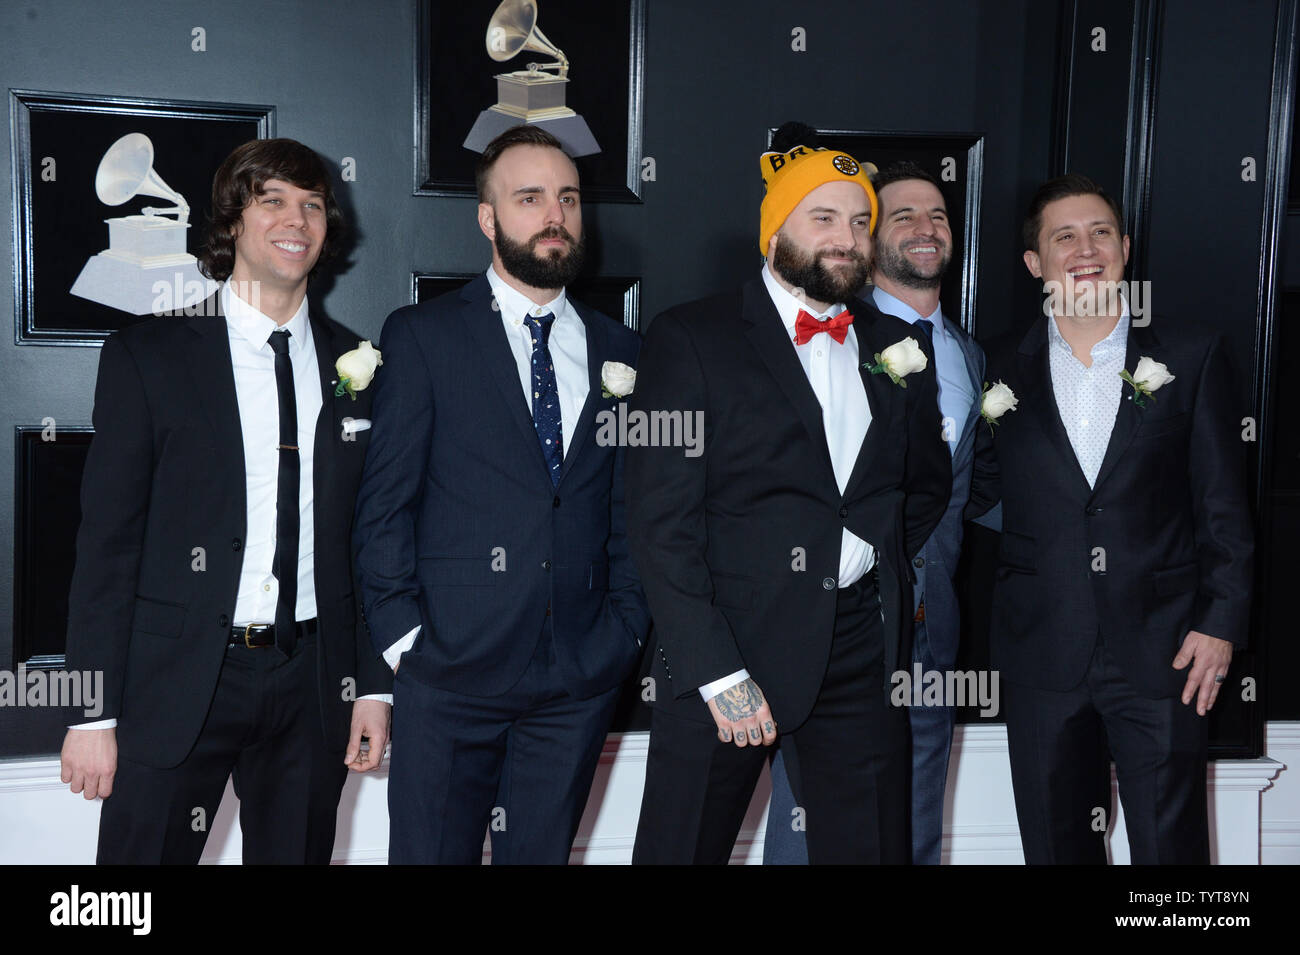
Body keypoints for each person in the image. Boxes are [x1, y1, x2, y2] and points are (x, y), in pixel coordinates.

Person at [59, 137, 393, 864]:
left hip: (312, 678)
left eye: (312, 204)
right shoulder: (147, 356)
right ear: (232, 219)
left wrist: (373, 686)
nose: (295, 218)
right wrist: (93, 709)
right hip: (173, 681)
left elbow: (372, 540)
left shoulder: (359, 367)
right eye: (271, 198)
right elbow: (106, 546)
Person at [626, 126, 951, 864]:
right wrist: (715, 669)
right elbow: (658, 523)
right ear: (775, 231)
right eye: (824, 217)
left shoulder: (896, 346)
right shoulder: (690, 337)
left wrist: (868, 554)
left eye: (861, 221)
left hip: (859, 653)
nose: (847, 237)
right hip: (728, 649)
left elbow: (923, 485)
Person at [353, 124, 649, 865]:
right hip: (448, 673)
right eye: (529, 198)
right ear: (488, 218)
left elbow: (631, 510)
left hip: (577, 677)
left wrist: (621, 633)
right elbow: (385, 502)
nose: (556, 215)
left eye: (569, 198)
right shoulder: (422, 337)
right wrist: (404, 642)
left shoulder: (623, 350)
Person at [975, 174, 1252, 863]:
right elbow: (977, 492)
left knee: (1171, 853)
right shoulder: (997, 365)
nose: (1086, 248)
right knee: (1056, 846)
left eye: (1100, 231)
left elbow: (1224, 504)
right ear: (1036, 263)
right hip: (1042, 649)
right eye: (1063, 236)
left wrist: (1221, 623)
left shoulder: (1191, 354)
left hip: (1167, 651)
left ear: (1125, 247)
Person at [764, 160, 993, 865]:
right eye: (901, 217)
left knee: (914, 824)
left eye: (939, 216)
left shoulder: (969, 354)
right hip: (835, 628)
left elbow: (967, 494)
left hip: (931, 636)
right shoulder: (828, 337)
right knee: (805, 829)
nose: (926, 230)